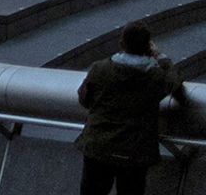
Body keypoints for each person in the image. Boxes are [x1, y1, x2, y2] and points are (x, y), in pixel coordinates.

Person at [77, 23, 185, 194]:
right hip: (135, 152)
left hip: (98, 146)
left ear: (122, 43)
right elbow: (175, 84)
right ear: (148, 47)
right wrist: (161, 58)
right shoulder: (155, 77)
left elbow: (84, 99)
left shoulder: (100, 68)